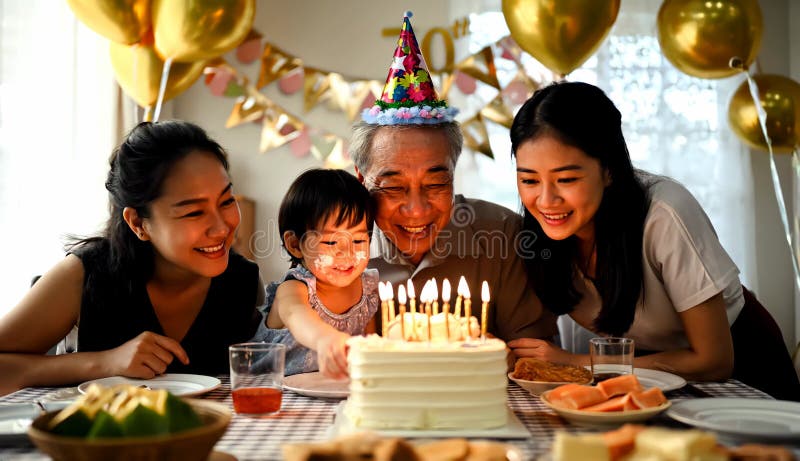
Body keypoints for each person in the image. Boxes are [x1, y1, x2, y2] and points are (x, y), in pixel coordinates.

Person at [507, 81, 800, 400]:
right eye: (529, 180)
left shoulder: (664, 214)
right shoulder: (538, 238)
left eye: (566, 179)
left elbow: (714, 361)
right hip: (649, 377)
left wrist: (581, 363)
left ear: (609, 170)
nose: (546, 200)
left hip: (742, 373)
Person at [0, 120, 264, 396]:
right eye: (193, 213)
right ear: (138, 222)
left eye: (226, 201)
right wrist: (103, 362)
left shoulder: (242, 280)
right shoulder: (85, 274)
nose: (222, 227)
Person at [349, 11, 556, 342]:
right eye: (393, 187)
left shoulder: (502, 236)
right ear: (362, 181)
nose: (417, 210)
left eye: (435, 184)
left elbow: (537, 362)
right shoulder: (337, 247)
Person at [254, 169, 378, 379]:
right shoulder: (294, 289)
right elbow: (296, 314)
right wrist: (324, 339)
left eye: (358, 241)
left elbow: (369, 345)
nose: (347, 252)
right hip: (270, 392)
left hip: (332, 394)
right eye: (331, 242)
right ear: (295, 245)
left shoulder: (367, 289)